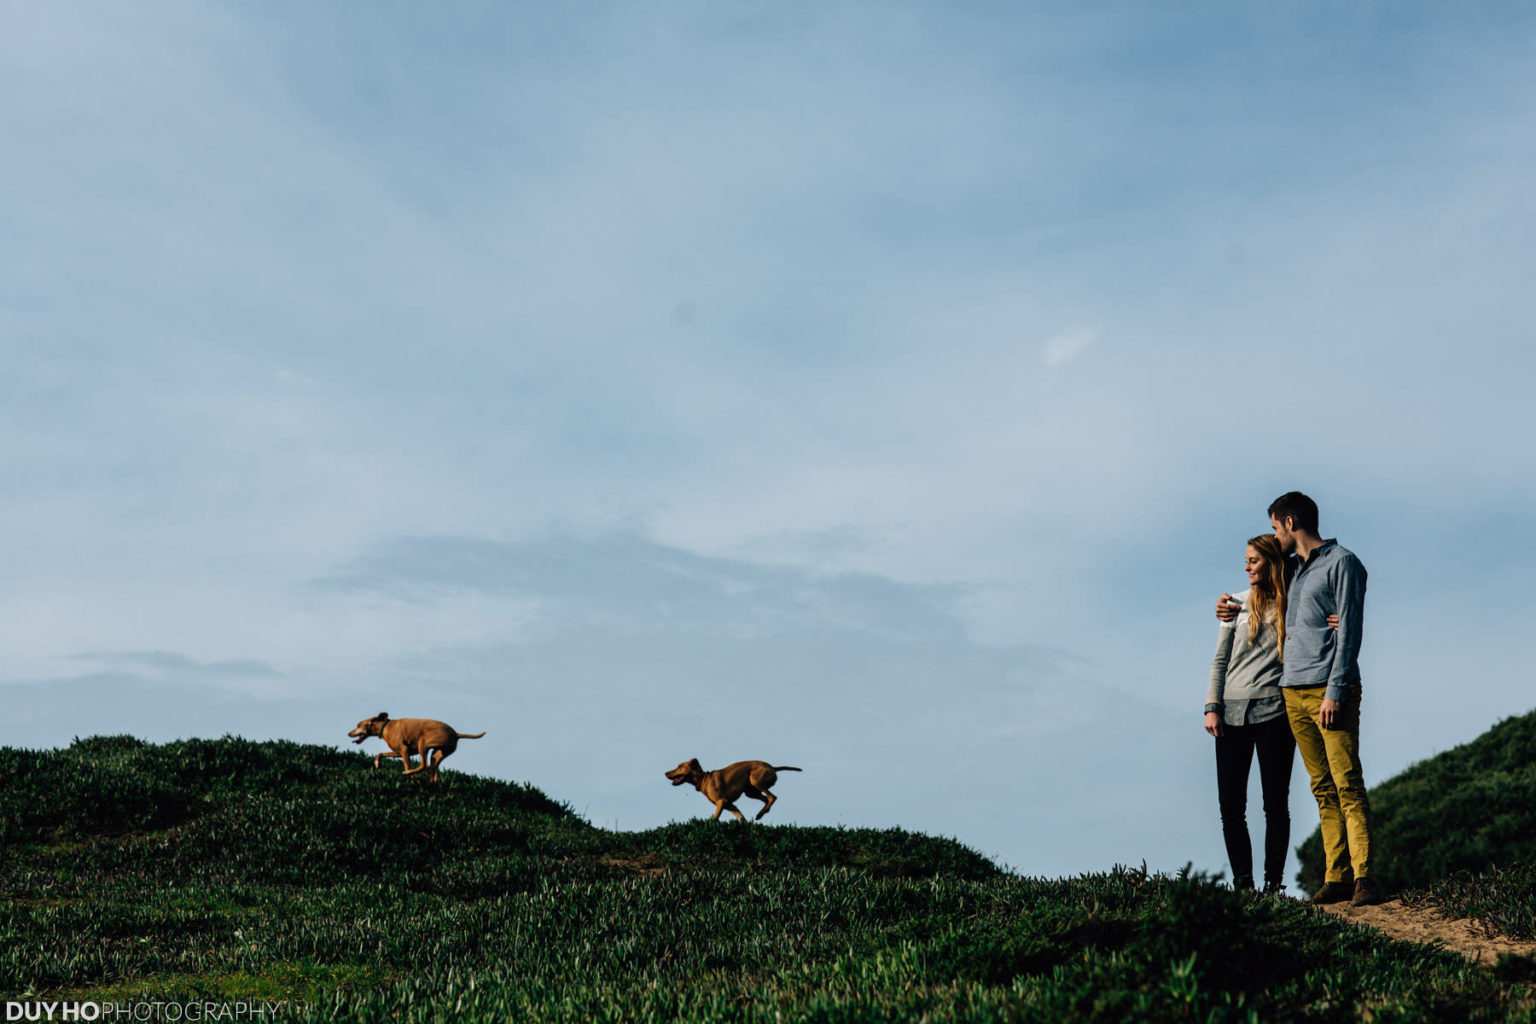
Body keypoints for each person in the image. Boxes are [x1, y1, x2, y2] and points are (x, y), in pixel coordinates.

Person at [1217, 491, 1379, 907]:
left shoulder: (1343, 562)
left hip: (1328, 691)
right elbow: (1259, 580)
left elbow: (1352, 630)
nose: (1275, 535)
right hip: (1291, 693)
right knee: (1322, 788)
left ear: (1290, 523)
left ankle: (1364, 878)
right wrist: (1227, 604)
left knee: (1347, 784)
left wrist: (1336, 690)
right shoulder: (1293, 570)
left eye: (1275, 527)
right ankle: (1336, 877)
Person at [1205, 534, 1295, 894]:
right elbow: (1220, 660)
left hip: (1276, 715)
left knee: (1275, 805)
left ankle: (1273, 886)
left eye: (1253, 560)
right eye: (1245, 560)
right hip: (1230, 717)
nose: (1246, 567)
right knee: (1231, 808)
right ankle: (1243, 886)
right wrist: (1212, 707)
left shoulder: (1294, 603)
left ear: (1272, 562)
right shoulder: (1234, 605)